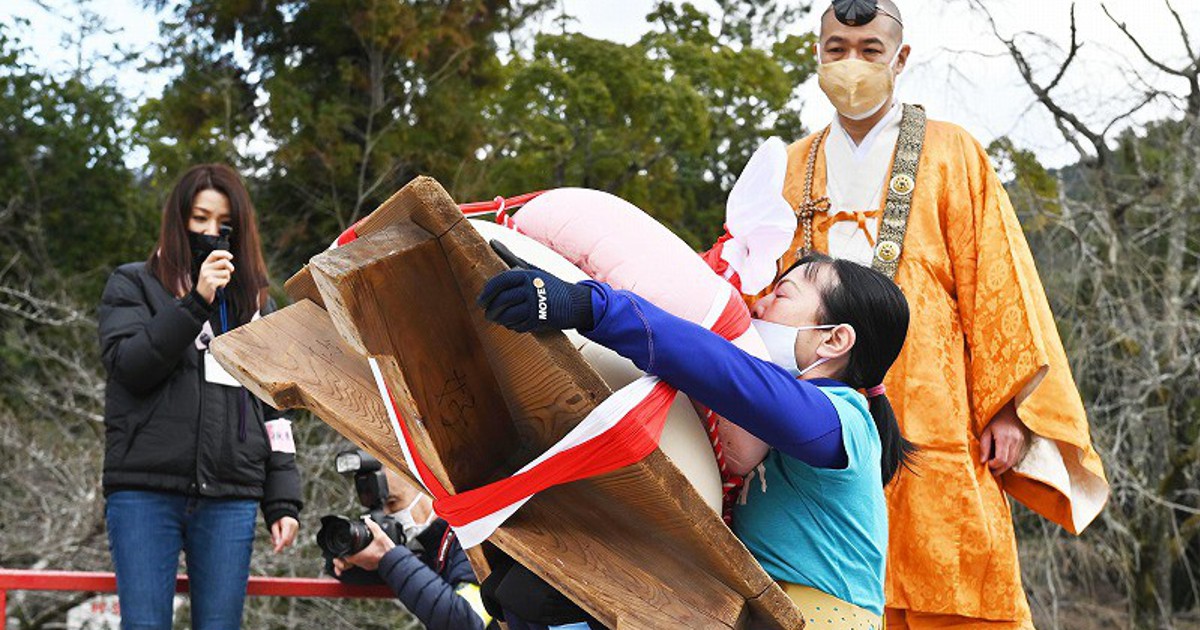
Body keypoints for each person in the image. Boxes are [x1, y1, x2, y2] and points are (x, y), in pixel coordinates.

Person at [702, 1, 1109, 627]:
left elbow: (999, 284)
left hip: (938, 405)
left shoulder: (954, 154)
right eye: (836, 48)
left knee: (953, 571)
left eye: (869, 48)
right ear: (817, 55)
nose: (851, 62)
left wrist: (1006, 409)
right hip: (817, 409)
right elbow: (759, 292)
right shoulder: (789, 166)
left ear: (901, 57)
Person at [478, 252, 914, 626]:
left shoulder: (845, 420)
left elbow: (729, 374)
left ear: (834, 339)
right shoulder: (749, 442)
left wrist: (592, 308)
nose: (758, 305)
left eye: (781, 294)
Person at [99, 164, 303, 630]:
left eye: (224, 223)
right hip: (144, 490)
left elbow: (274, 409)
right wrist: (196, 302)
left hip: (230, 495)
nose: (212, 233)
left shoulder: (256, 307)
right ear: (178, 220)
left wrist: (283, 499)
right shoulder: (132, 284)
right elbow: (131, 366)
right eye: (200, 219)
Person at [329, 467, 495, 630]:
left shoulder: (477, 536)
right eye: (379, 508)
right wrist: (350, 556)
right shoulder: (431, 547)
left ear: (429, 492)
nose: (386, 516)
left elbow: (468, 622)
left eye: (393, 503)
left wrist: (389, 556)